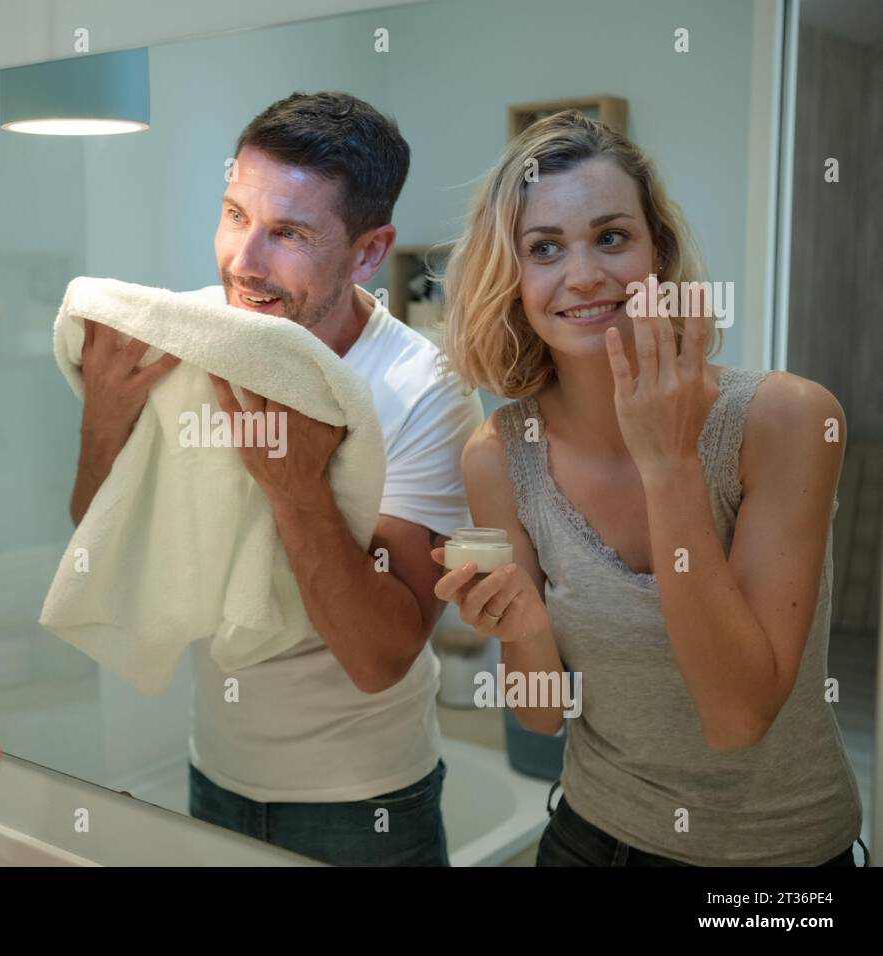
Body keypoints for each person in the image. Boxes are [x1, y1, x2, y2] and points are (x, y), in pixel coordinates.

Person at [435, 110, 863, 866]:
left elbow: (737, 716)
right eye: (544, 248)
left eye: (611, 237)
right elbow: (539, 720)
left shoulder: (787, 421)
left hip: (777, 863)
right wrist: (526, 627)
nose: (584, 275)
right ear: (515, 279)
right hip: (590, 840)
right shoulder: (501, 457)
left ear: (657, 254)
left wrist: (668, 465)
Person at [69, 92, 482, 866]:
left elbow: (378, 658)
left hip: (364, 806)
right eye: (234, 215)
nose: (243, 261)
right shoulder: (191, 338)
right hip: (214, 774)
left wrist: (296, 486)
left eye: (288, 233)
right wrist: (103, 423)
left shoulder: (422, 389)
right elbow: (103, 541)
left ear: (368, 252)